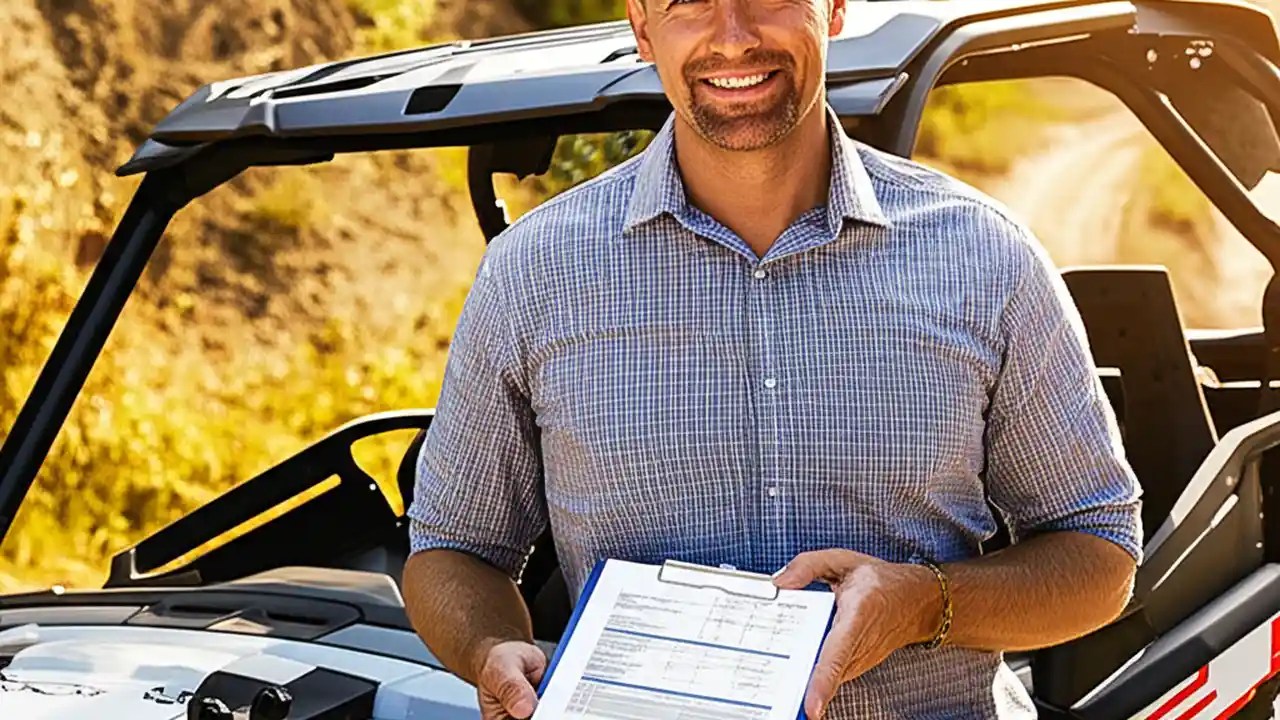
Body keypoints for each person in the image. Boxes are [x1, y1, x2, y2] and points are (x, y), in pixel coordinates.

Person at [401, 0, 1143, 717]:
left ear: (836, 8)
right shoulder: (533, 273)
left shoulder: (985, 257)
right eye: (689, 1)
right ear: (641, 25)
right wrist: (490, 647)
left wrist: (925, 602)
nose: (733, 36)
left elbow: (1099, 555)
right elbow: (453, 551)